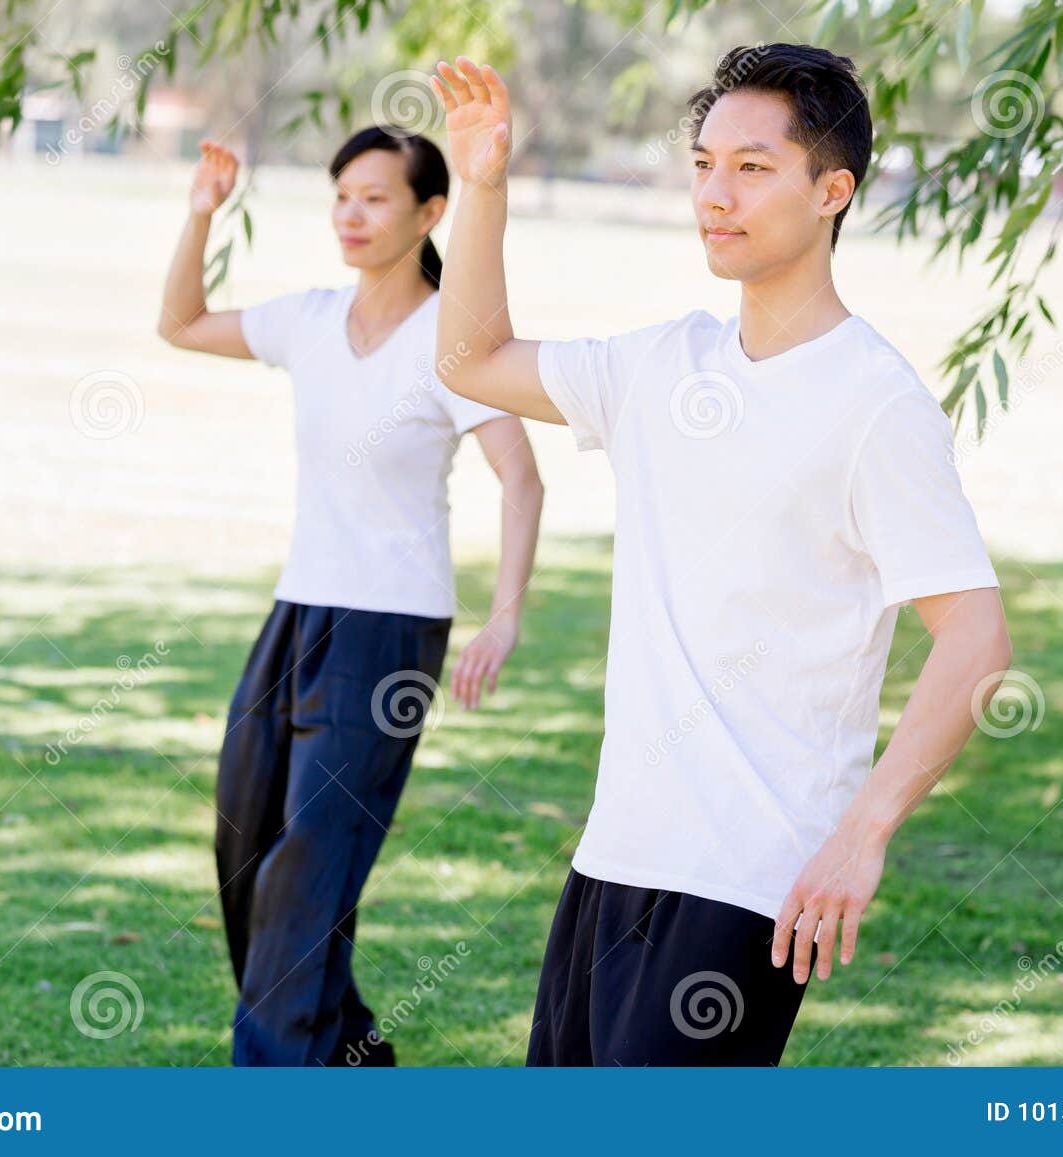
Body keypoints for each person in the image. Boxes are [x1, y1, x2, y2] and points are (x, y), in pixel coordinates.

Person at [428, 45, 1014, 1066]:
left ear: (831, 190)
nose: (714, 193)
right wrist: (481, 188)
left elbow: (975, 639)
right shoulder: (659, 365)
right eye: (702, 164)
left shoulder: (874, 402)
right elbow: (470, 359)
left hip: (749, 881)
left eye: (750, 167)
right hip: (613, 856)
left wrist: (862, 830)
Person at [157, 126, 544, 1066]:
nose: (352, 214)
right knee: (248, 847)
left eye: (375, 196)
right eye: (341, 195)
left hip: (391, 630)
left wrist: (503, 615)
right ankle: (352, 1057)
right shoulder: (308, 319)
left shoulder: (454, 341)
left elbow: (521, 478)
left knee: (307, 867)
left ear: (430, 211)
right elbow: (180, 323)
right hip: (299, 610)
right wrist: (202, 211)